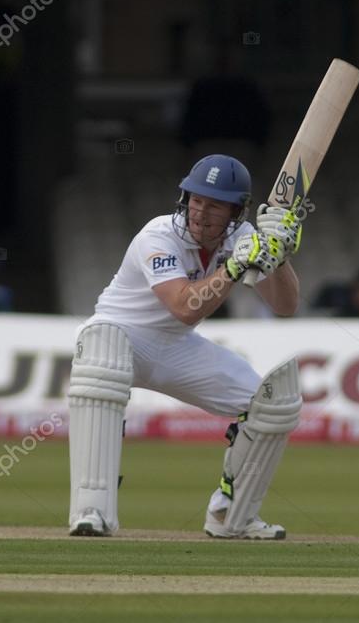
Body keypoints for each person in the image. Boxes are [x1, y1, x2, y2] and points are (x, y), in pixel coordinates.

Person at [68, 154, 303, 540]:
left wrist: (280, 257)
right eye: (196, 200)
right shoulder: (157, 236)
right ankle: (91, 511)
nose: (200, 213)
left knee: (273, 403)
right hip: (120, 333)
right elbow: (183, 307)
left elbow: (286, 306)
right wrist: (232, 269)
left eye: (214, 205)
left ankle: (231, 515)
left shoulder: (242, 236)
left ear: (235, 211)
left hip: (175, 345)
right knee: (103, 351)